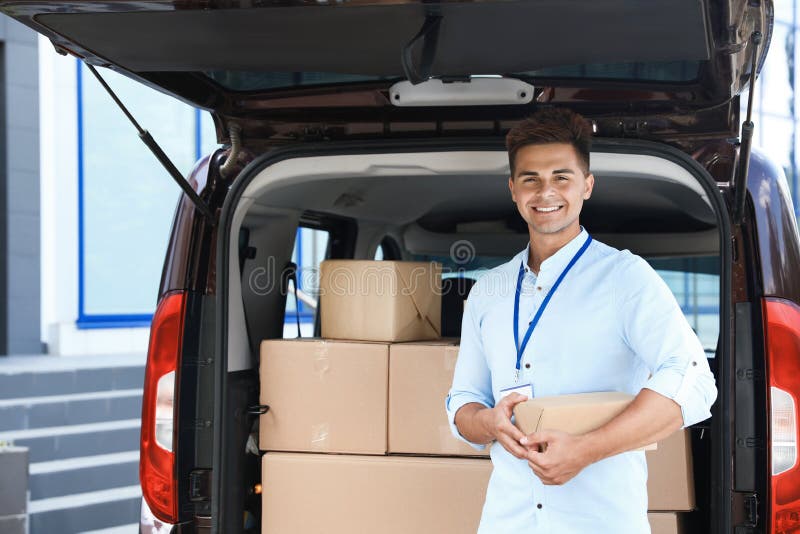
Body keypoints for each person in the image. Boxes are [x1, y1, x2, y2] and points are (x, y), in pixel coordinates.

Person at [445, 108, 717, 533]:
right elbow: (462, 401)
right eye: (531, 179)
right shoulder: (487, 293)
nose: (545, 191)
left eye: (561, 177)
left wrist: (586, 449)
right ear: (513, 189)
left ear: (586, 186)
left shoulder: (625, 278)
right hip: (507, 521)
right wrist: (489, 423)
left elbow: (694, 380)